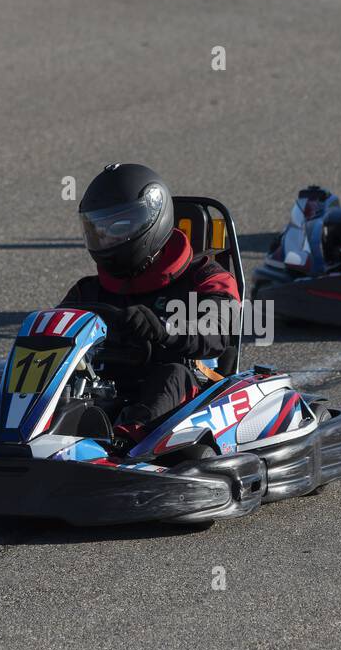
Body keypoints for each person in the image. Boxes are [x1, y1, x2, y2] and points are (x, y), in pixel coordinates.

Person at [61, 163, 238, 448]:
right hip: (105, 387)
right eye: (99, 229)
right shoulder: (89, 290)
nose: (108, 238)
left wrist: (164, 328)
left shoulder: (206, 278)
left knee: (172, 375)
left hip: (189, 393)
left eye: (118, 227)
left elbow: (217, 330)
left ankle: (124, 442)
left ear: (152, 221)